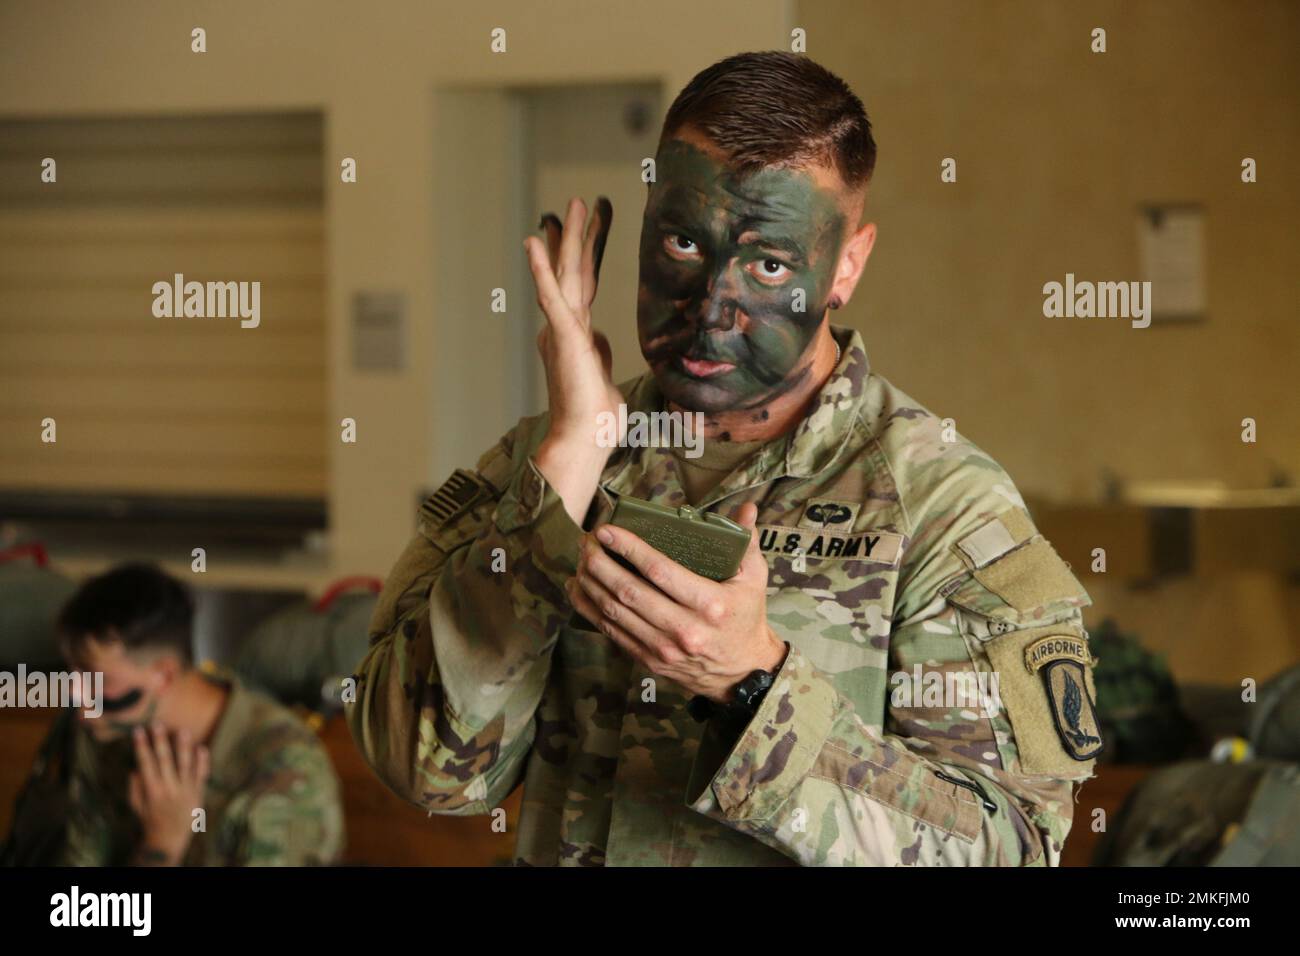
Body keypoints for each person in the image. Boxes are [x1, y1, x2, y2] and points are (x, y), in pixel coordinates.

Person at [347, 50, 1101, 866]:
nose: (711, 309)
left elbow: (1012, 849)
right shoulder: (551, 459)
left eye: (769, 264)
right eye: (681, 242)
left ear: (846, 265)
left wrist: (752, 683)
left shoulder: (944, 504)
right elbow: (425, 769)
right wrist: (569, 461)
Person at [44, 563, 344, 866]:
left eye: (97, 679)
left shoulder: (286, 766)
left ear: (162, 675)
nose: (77, 696)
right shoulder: (105, 736)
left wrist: (161, 847)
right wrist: (160, 846)